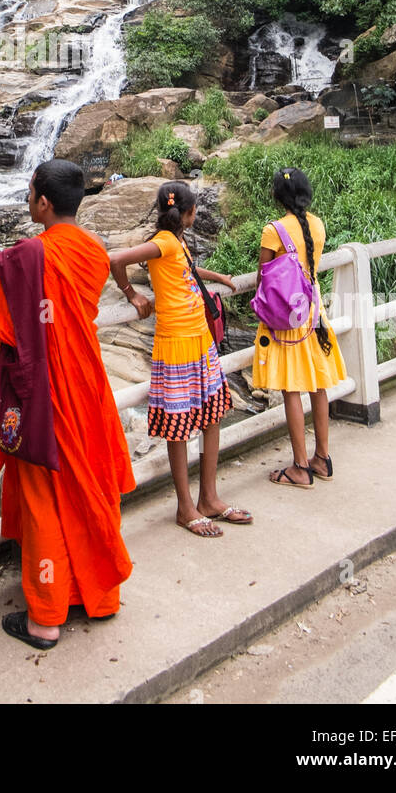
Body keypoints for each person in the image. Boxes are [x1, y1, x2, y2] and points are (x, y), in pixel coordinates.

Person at [0, 159, 136, 650]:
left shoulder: (29, 255)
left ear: (41, 202)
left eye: (30, 189)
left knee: (45, 500)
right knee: (88, 485)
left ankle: (44, 618)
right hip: (87, 385)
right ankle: (93, 595)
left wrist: (2, 266)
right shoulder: (94, 251)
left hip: (44, 394)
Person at [109, 181, 252, 538]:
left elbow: (184, 271)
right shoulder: (163, 241)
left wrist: (216, 276)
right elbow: (116, 260)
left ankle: (209, 498)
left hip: (200, 340)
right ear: (188, 214)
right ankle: (185, 507)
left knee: (211, 415)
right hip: (175, 343)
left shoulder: (176, 242)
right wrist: (132, 294)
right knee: (178, 425)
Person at [253, 166, 348, 488]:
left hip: (286, 318)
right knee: (318, 385)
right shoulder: (318, 225)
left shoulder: (273, 230)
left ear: (277, 196)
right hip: (314, 313)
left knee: (292, 387)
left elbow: (263, 280)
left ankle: (299, 467)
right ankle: (322, 458)